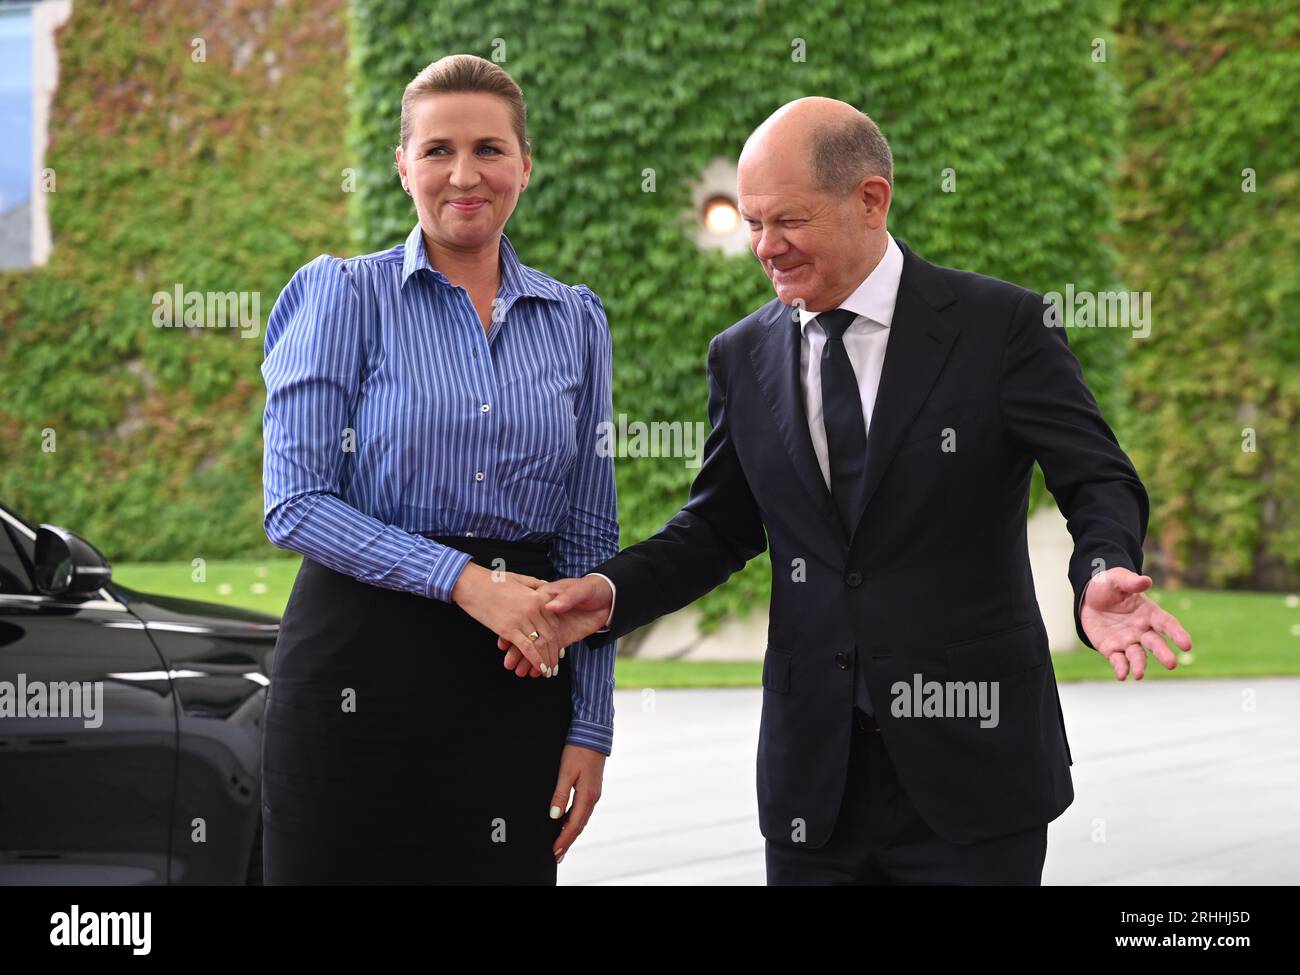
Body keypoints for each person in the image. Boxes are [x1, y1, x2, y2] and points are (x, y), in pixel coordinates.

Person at [504, 96, 1194, 885]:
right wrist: (607, 592)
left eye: (787, 221)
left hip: (974, 768)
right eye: (753, 222)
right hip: (814, 787)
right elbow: (720, 527)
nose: (766, 247)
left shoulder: (1001, 326)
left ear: (871, 200)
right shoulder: (741, 354)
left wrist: (1102, 565)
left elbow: (1095, 474)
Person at [259, 54, 617, 884]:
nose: (465, 174)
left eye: (490, 149)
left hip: (517, 683)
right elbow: (296, 502)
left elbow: (591, 533)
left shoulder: (577, 320)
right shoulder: (343, 295)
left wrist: (591, 725)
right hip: (354, 677)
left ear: (525, 166)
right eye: (437, 150)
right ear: (402, 166)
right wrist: (467, 581)